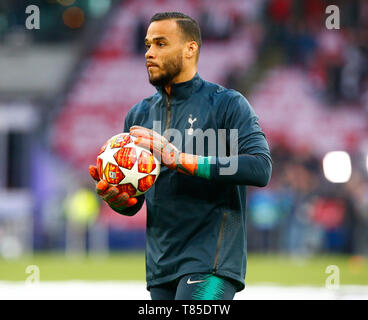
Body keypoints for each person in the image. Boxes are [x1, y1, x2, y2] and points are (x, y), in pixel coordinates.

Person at [89, 12, 272, 300]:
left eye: (160, 44)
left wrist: (180, 159)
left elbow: (260, 168)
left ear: (190, 49)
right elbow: (136, 201)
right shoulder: (138, 115)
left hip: (211, 261)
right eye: (148, 44)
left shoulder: (227, 104)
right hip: (160, 268)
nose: (149, 53)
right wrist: (120, 199)